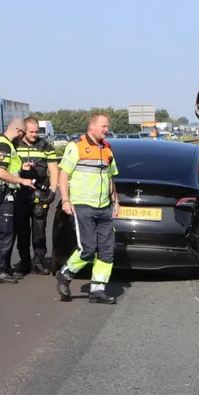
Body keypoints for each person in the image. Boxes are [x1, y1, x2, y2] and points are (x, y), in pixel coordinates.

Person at [54, 113, 120, 304]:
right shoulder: (76, 146)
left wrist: (116, 201)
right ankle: (66, 273)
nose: (107, 130)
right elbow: (63, 174)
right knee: (88, 248)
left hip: (104, 207)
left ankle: (98, 290)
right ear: (92, 126)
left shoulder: (107, 149)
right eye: (103, 126)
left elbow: (110, 177)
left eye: (107, 126)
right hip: (83, 205)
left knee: (107, 250)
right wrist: (65, 200)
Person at [0, 118, 35, 284]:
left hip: (7, 193)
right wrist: (22, 180)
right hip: (1, 193)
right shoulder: (3, 146)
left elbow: (9, 167)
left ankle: (5, 268)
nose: (22, 138)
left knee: (10, 232)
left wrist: (22, 167)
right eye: (23, 134)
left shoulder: (7, 144)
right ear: (19, 131)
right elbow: (1, 173)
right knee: (5, 233)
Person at [12, 116, 60, 275]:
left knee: (39, 230)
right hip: (20, 193)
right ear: (24, 130)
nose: (34, 135)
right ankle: (24, 262)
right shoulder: (14, 145)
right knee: (21, 230)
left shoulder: (46, 146)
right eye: (31, 132)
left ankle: (38, 261)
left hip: (40, 192)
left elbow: (54, 169)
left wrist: (53, 190)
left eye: (36, 132)